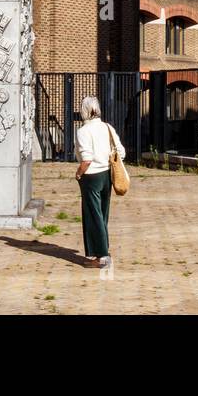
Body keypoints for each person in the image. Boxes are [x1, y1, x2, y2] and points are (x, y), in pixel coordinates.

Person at [74, 96, 124, 269]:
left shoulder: (83, 131)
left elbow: (86, 159)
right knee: (102, 215)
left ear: (84, 110)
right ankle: (101, 251)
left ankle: (102, 256)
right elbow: (121, 152)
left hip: (91, 176)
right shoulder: (107, 127)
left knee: (93, 216)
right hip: (106, 175)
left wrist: (78, 174)